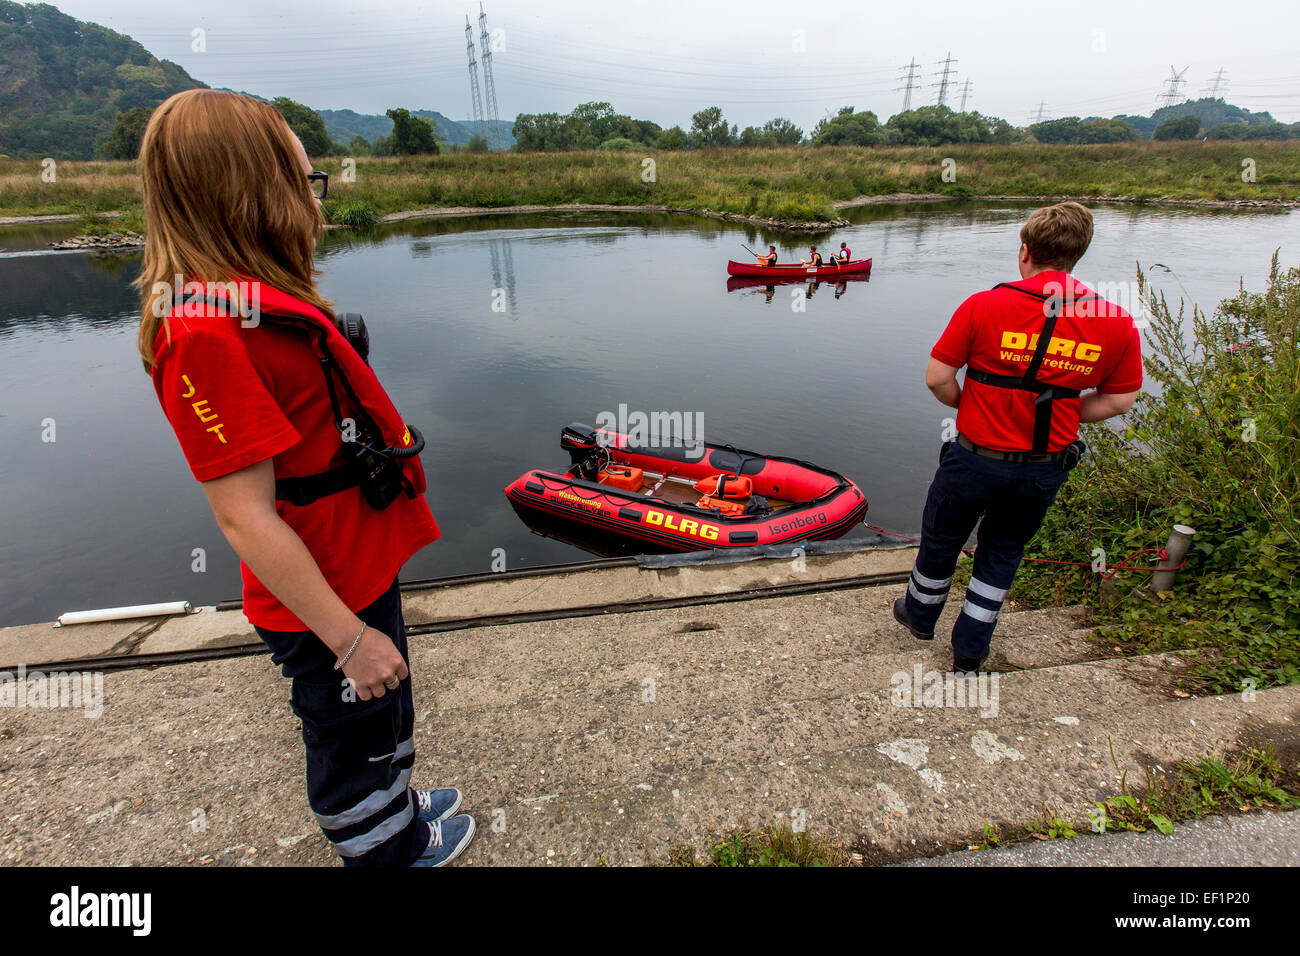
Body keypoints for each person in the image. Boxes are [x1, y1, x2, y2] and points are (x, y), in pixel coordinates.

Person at [136, 89, 476, 867]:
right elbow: (244, 517)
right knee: (348, 731)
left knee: (384, 714)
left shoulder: (254, 303)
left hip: (353, 567)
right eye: (303, 179)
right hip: (321, 597)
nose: (314, 200)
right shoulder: (203, 334)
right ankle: (386, 849)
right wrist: (349, 639)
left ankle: (401, 808)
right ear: (253, 190)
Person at [892, 201, 1142, 672]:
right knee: (1003, 550)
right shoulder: (1116, 322)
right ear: (1077, 256)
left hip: (973, 459)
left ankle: (920, 615)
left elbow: (937, 378)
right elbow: (1117, 401)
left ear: (1025, 252)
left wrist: (968, 403)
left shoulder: (983, 305)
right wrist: (1062, 408)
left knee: (941, 537)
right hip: (1043, 466)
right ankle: (969, 649)